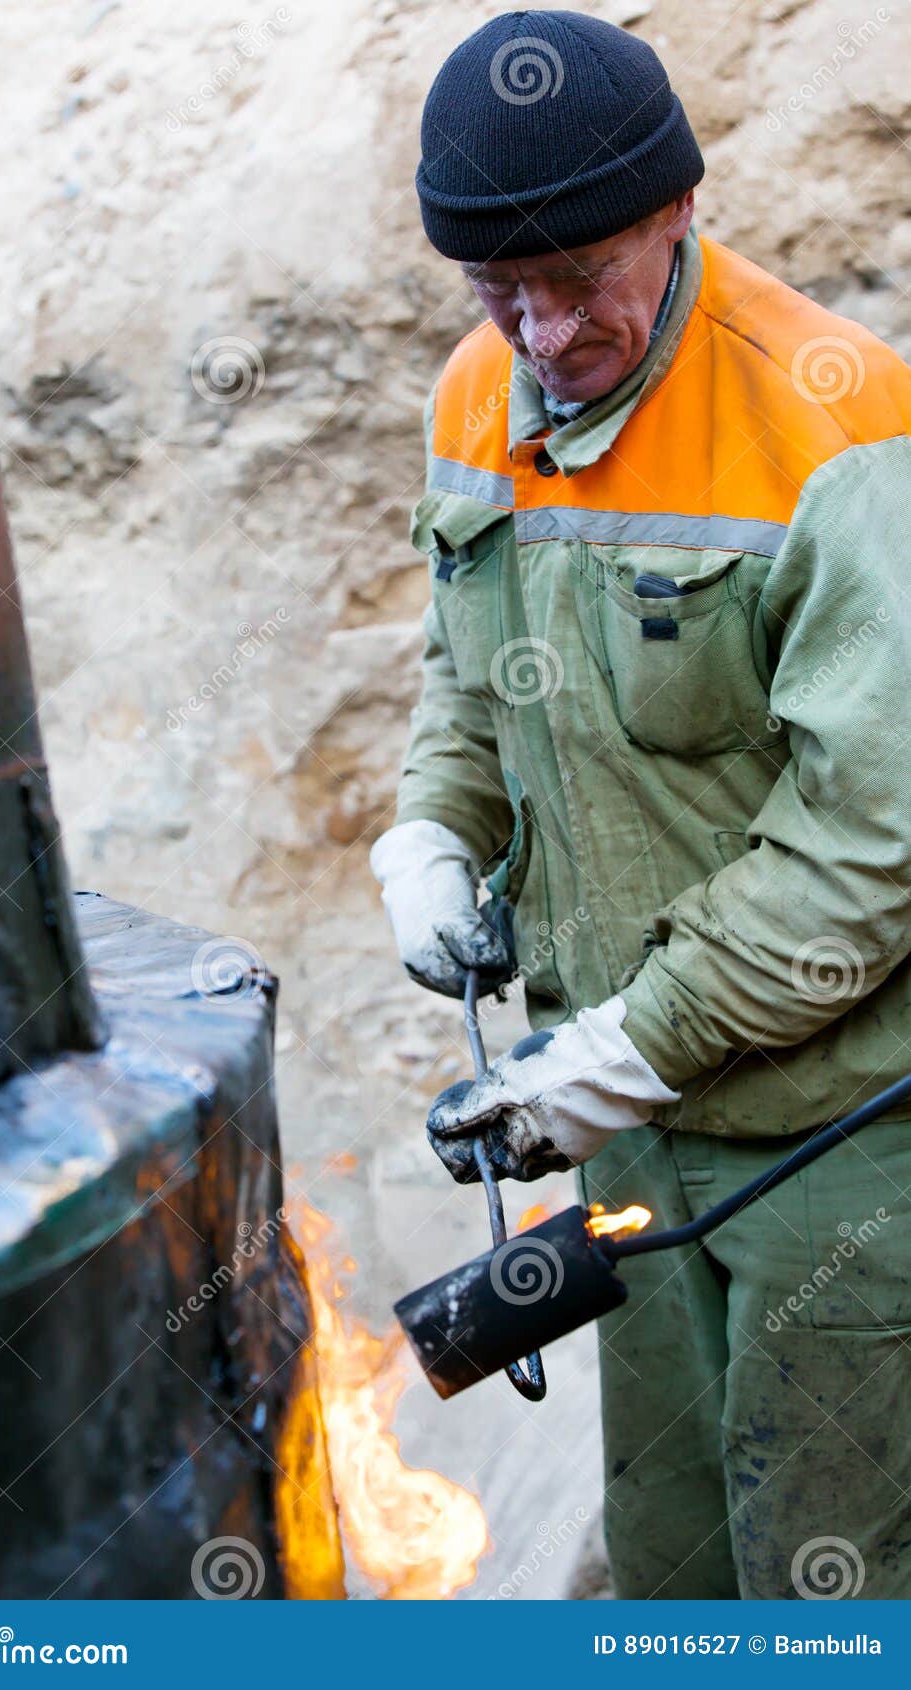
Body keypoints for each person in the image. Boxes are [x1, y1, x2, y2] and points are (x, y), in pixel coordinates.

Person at [371, 8, 911, 1600]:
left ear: (681, 210)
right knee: (673, 1558)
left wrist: (625, 1046)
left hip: (843, 1152)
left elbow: (871, 846)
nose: (540, 336)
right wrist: (430, 830)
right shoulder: (479, 396)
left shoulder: (844, 432)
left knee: (833, 1573)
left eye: (580, 282)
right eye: (497, 293)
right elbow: (467, 681)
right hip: (636, 1146)